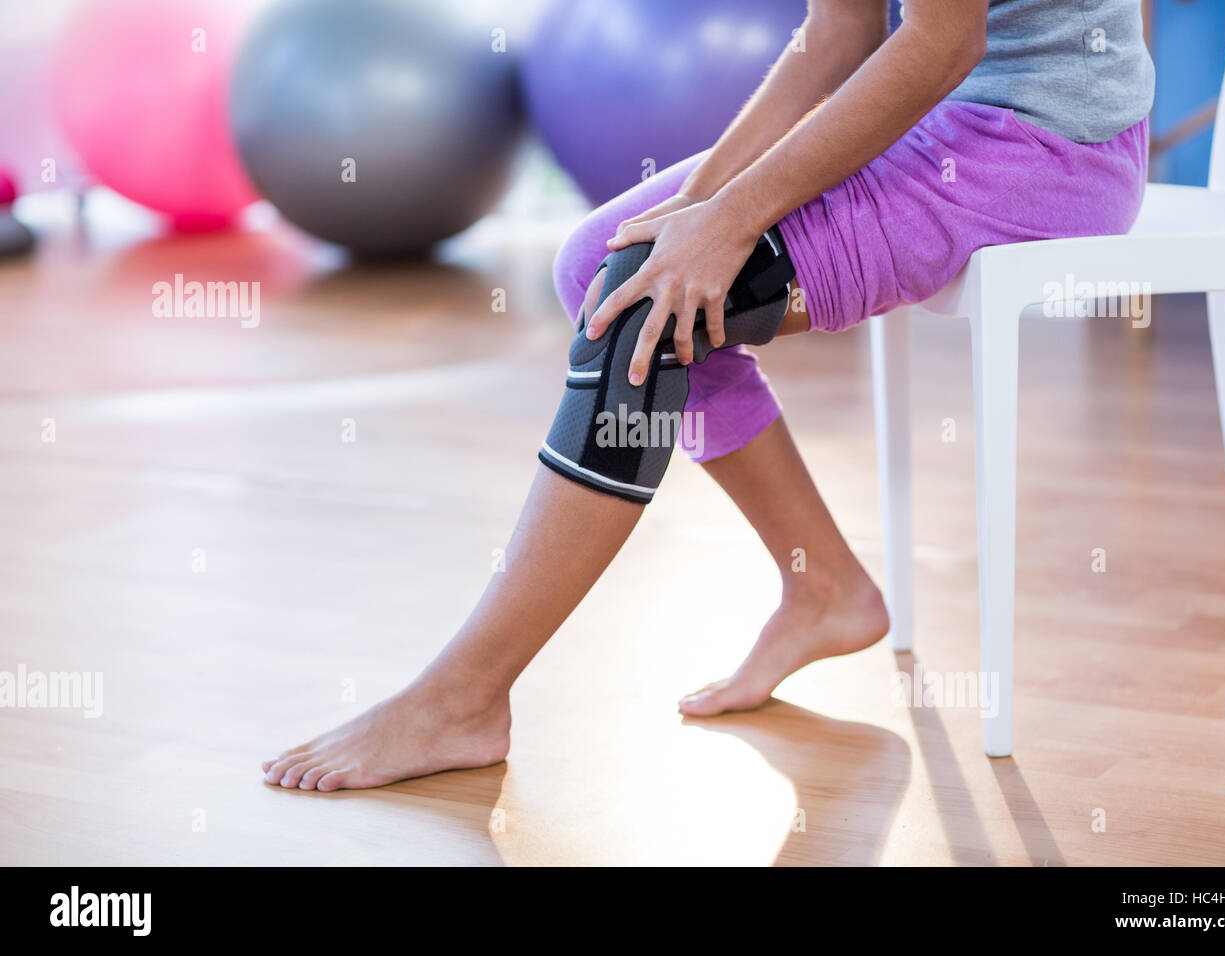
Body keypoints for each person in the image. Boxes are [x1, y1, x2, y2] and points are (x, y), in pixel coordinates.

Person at [263, 0, 1153, 791]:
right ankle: (827, 590)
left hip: (1038, 146)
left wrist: (728, 225)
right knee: (610, 267)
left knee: (644, 310)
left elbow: (939, 42)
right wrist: (695, 206)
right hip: (943, 115)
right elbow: (837, 30)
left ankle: (462, 698)